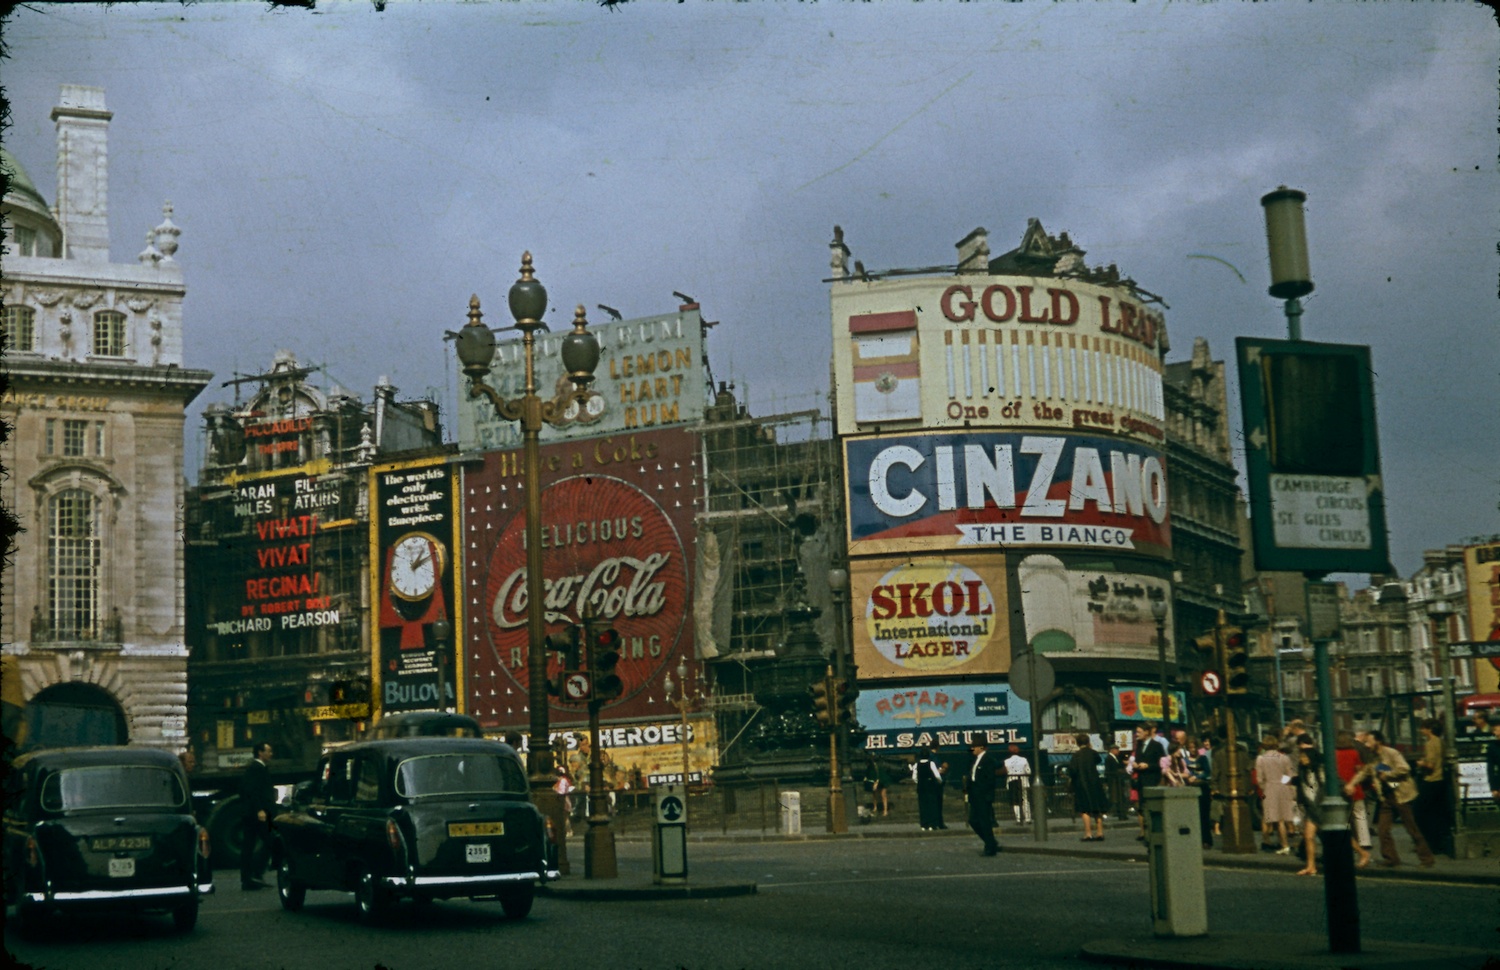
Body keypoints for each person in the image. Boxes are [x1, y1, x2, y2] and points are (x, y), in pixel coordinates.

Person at [1346, 729, 1434, 868]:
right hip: (1386, 797)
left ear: (1378, 741)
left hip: (1401, 795)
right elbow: (1364, 772)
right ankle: (1391, 858)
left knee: (1412, 828)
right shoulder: (1373, 758)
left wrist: (1388, 775)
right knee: (1383, 829)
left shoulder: (1391, 753)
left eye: (1369, 742)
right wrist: (1351, 784)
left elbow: (1404, 769)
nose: (1367, 745)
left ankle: (1427, 859)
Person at [239, 741, 275, 890]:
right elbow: (252, 790)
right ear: (260, 753)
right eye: (268, 751)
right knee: (269, 842)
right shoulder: (256, 768)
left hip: (253, 813)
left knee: (249, 844)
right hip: (257, 814)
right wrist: (259, 809)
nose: (271, 754)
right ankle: (255, 874)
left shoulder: (259, 768)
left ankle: (249, 878)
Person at [1334, 731, 1373, 866]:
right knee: (1360, 815)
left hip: (1341, 790)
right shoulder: (1354, 753)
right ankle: (1365, 841)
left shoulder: (1333, 755)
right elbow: (1360, 769)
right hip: (1355, 787)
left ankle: (1350, 842)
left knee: (1345, 818)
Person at [1253, 734, 1295, 855]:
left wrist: (1265, 787)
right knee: (1282, 819)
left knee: (1268, 816)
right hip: (1283, 788)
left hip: (1269, 788)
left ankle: (1267, 841)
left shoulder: (1260, 759)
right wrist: (1281, 783)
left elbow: (1259, 779)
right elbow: (1289, 774)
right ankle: (1285, 844)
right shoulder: (1284, 758)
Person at [1413, 719, 1449, 856]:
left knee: (1420, 813)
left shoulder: (1430, 743)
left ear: (1429, 729)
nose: (1421, 731)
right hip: (1440, 781)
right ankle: (1438, 844)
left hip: (1431, 781)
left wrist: (1421, 763)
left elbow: (1430, 765)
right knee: (1436, 814)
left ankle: (1429, 844)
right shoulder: (1441, 741)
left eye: (1423, 728)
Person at [964, 737, 1001, 855]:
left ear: (981, 747)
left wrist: (984, 792)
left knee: (984, 822)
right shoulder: (975, 760)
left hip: (983, 796)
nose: (972, 749)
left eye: (974, 746)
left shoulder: (988, 760)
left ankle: (990, 847)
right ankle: (991, 842)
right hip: (975, 795)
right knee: (973, 821)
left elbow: (990, 779)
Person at [1292, 740, 1324, 875]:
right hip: (1311, 808)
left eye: (1304, 757)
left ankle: (1363, 853)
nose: (1302, 759)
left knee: (1339, 837)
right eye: (1301, 757)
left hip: (1321, 807)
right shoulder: (1303, 771)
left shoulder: (1319, 771)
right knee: (1308, 837)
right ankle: (1311, 866)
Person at [1129, 723, 1166, 840]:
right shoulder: (1139, 745)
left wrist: (1148, 765)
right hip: (1141, 780)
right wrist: (1135, 764)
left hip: (1152, 780)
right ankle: (1144, 831)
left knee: (1153, 807)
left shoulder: (1156, 745)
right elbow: (1138, 759)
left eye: (1139, 732)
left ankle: (1155, 831)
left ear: (1146, 732)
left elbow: (1162, 764)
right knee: (1142, 807)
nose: (1136, 735)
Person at [1069, 734, 1108, 841]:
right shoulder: (1093, 753)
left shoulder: (1076, 755)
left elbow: (1072, 770)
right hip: (1095, 783)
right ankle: (1100, 832)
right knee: (1097, 808)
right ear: (1088, 742)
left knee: (1084, 809)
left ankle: (1088, 833)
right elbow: (1098, 760)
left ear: (1077, 743)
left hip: (1081, 784)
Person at [914, 743, 948, 831]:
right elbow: (936, 775)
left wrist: (919, 782)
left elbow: (914, 777)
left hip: (921, 787)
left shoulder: (916, 765)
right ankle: (932, 824)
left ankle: (924, 824)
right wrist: (939, 782)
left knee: (922, 806)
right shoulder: (931, 764)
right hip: (930, 786)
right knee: (932, 805)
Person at [1002, 744, 1031, 825]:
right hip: (1024, 781)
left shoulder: (1006, 761)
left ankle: (1018, 819)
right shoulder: (1024, 760)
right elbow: (1029, 771)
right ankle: (1028, 818)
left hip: (1012, 781)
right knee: (1025, 800)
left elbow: (1006, 772)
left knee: (1015, 801)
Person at [1103, 744, 1129, 819]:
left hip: (1118, 781)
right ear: (1112, 750)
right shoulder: (1109, 758)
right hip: (1114, 781)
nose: (1118, 751)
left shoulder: (1116, 758)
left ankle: (1120, 813)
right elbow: (1109, 770)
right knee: (1116, 797)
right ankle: (1118, 813)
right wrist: (1118, 772)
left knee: (1120, 797)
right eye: (1117, 749)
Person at [1487, 722, 1500, 809]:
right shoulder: (1493, 747)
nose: (1494, 733)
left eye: (1496, 730)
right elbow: (1490, 769)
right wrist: (1494, 788)